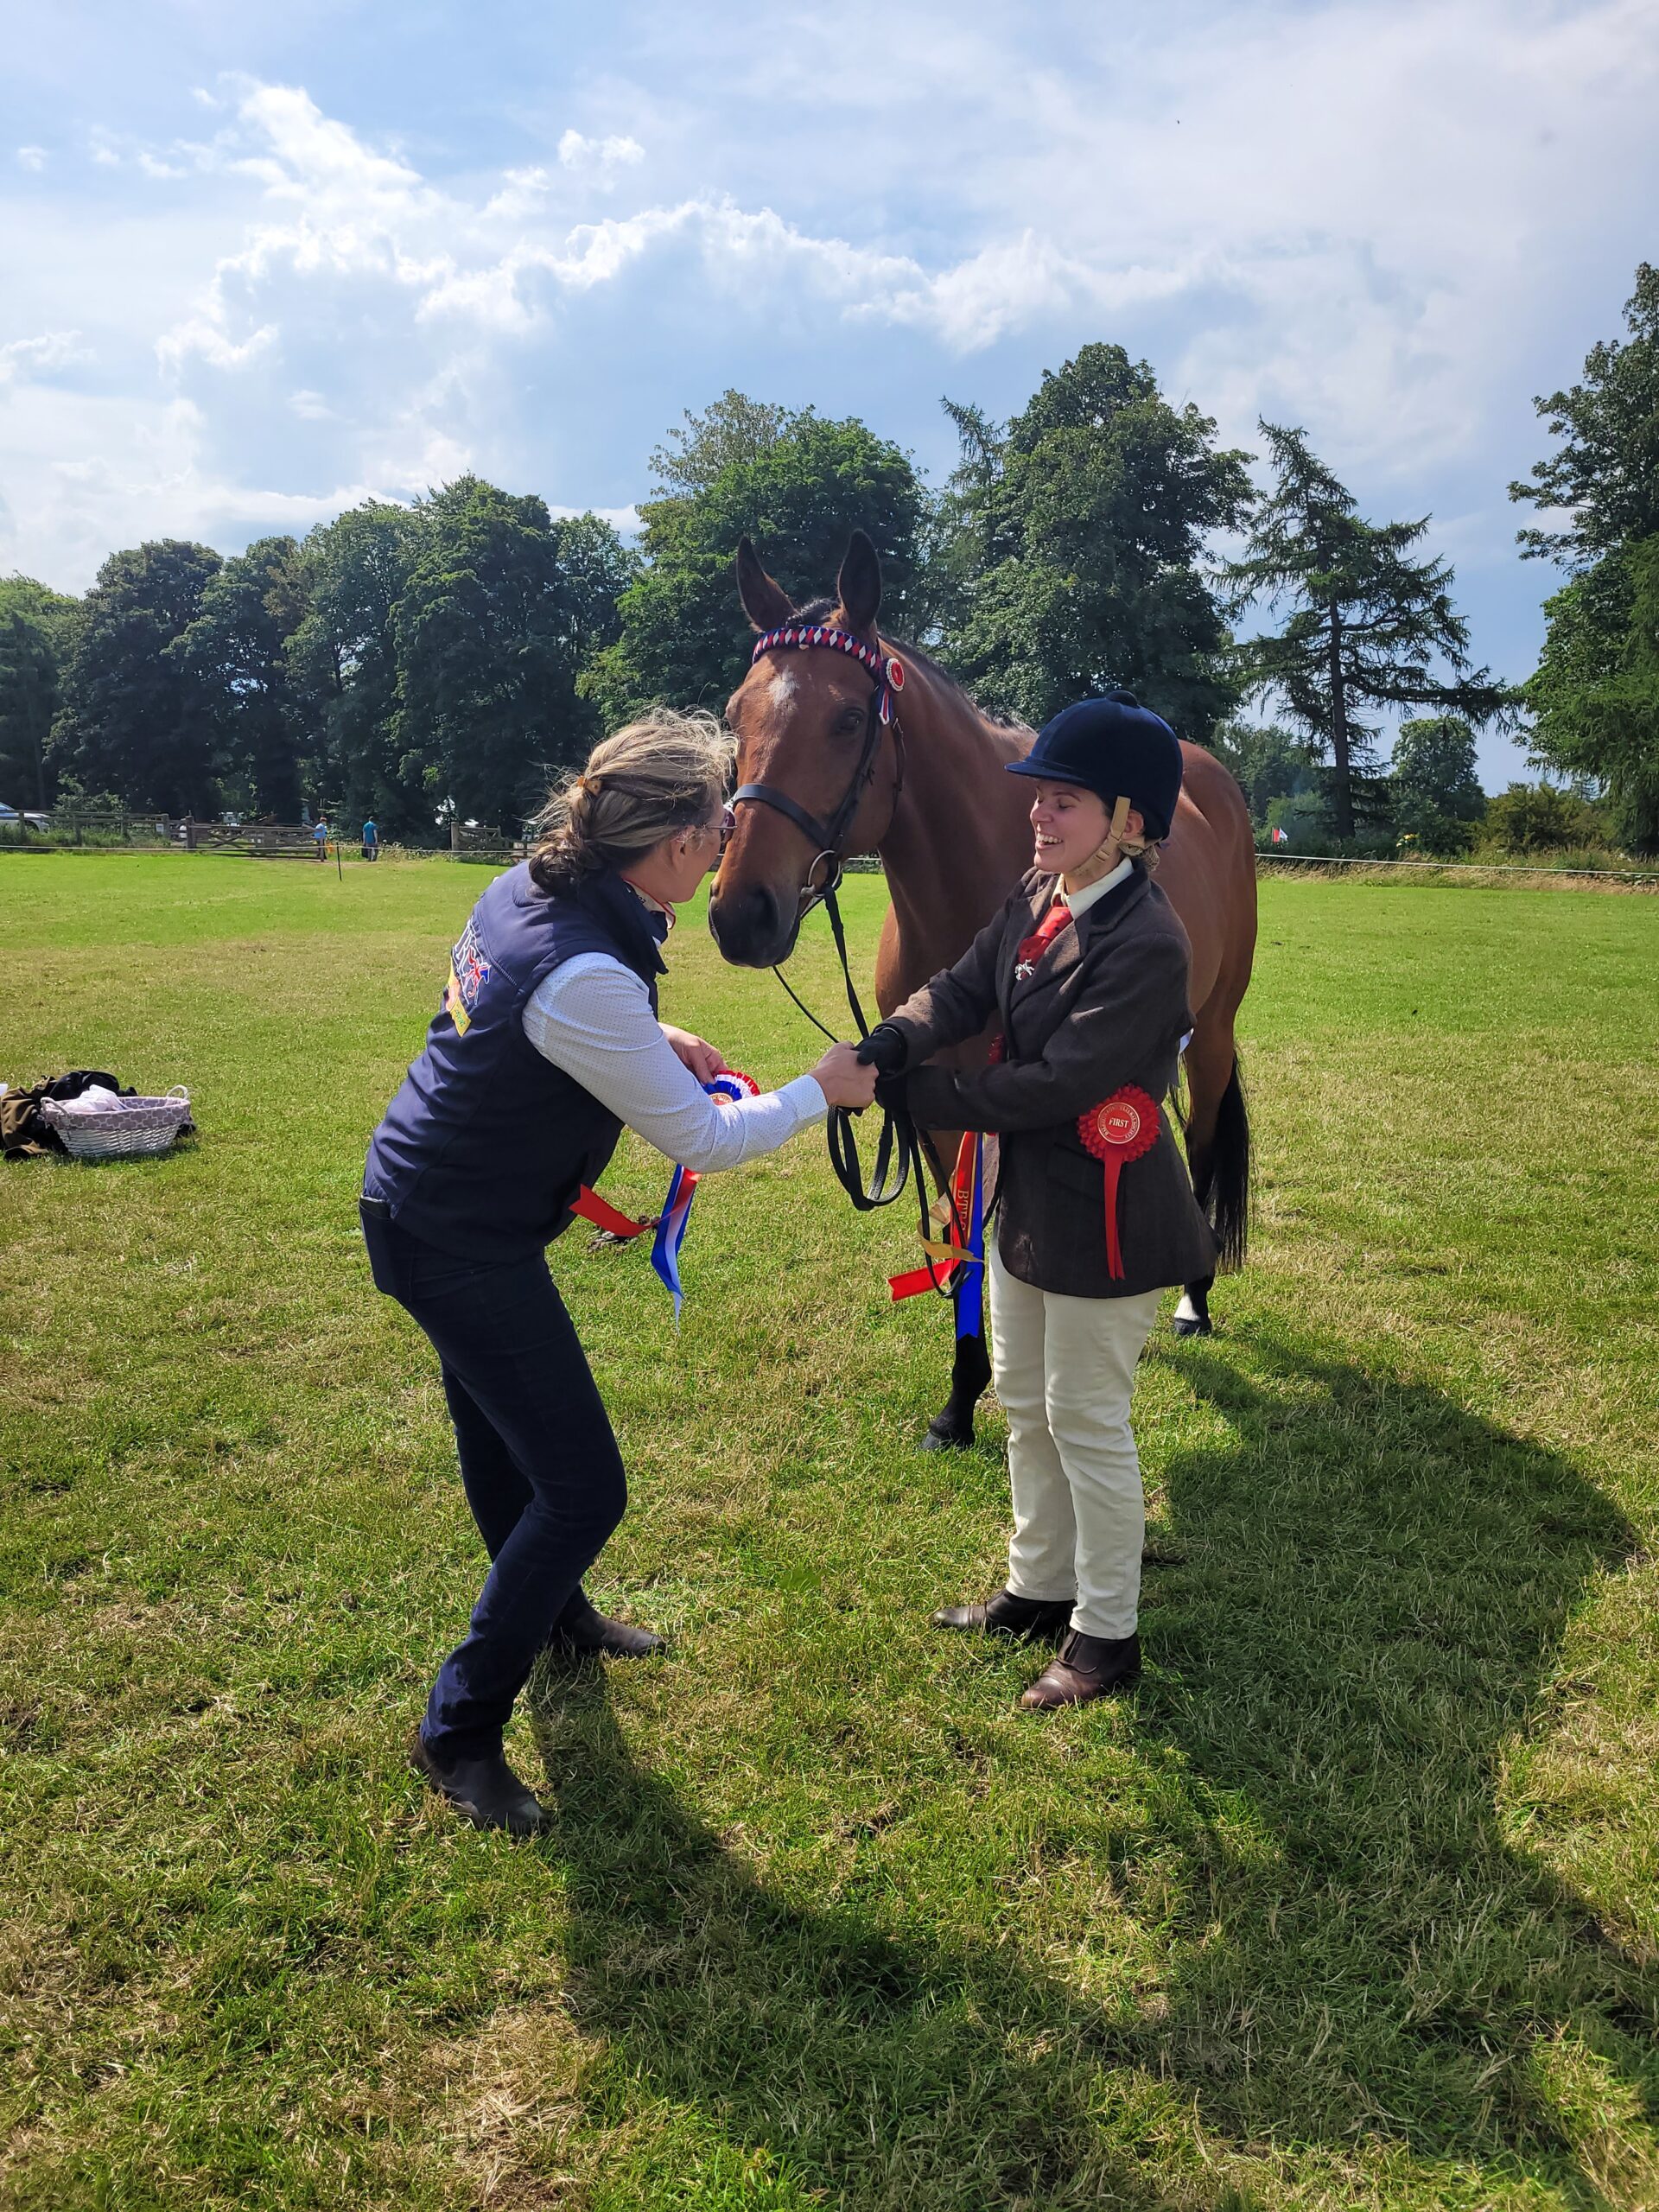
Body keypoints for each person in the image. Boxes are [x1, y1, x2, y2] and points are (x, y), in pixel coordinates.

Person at [361, 708, 875, 1833]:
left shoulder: (534, 887)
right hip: (452, 1236)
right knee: (585, 1486)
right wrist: (818, 1090)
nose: (727, 842)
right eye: (720, 822)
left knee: (508, 1446)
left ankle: (557, 1619)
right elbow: (703, 1138)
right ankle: (456, 1729)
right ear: (688, 845)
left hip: (430, 1211)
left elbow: (551, 1011)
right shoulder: (584, 968)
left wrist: (665, 1033)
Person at [858, 692, 1217, 1710]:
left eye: (1065, 801)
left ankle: (1107, 1633)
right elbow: (962, 988)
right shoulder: (1037, 893)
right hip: (1024, 1206)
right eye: (1038, 798)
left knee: (1086, 1417)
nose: (1039, 816)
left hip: (1108, 1215)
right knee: (1023, 1400)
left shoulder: (1148, 943)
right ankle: (1037, 1584)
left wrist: (913, 1091)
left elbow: (1057, 1085)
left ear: (1131, 822)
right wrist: (895, 1038)